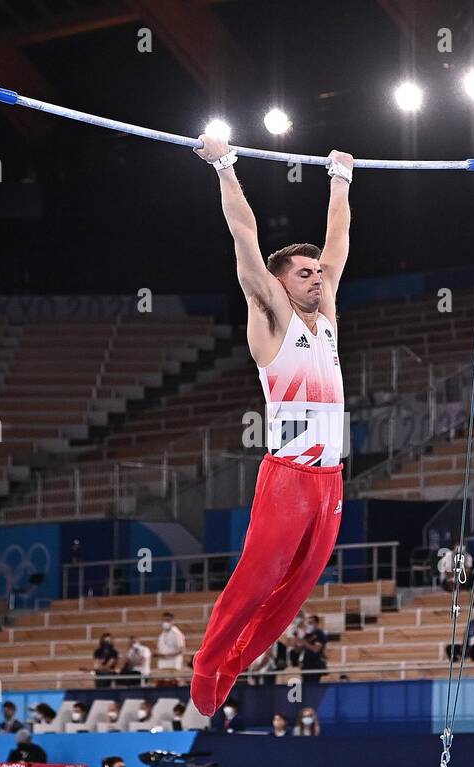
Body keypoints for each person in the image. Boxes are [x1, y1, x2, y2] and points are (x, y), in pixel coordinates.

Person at [188, 133, 354, 718]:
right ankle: (208, 661)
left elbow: (338, 243)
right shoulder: (271, 315)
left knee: (293, 595)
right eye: (305, 273)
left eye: (318, 273)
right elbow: (245, 238)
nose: (317, 278)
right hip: (287, 474)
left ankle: (233, 667)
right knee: (258, 582)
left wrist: (340, 179)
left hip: (330, 480)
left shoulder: (326, 317)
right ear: (280, 283)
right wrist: (226, 167)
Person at [299, 615, 329, 684]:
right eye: (308, 623)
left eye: (311, 623)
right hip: (305, 665)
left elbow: (316, 649)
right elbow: (299, 648)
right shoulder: (306, 635)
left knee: (313, 686)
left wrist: (304, 643)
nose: (309, 624)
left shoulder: (320, 634)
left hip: (315, 665)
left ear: (316, 623)